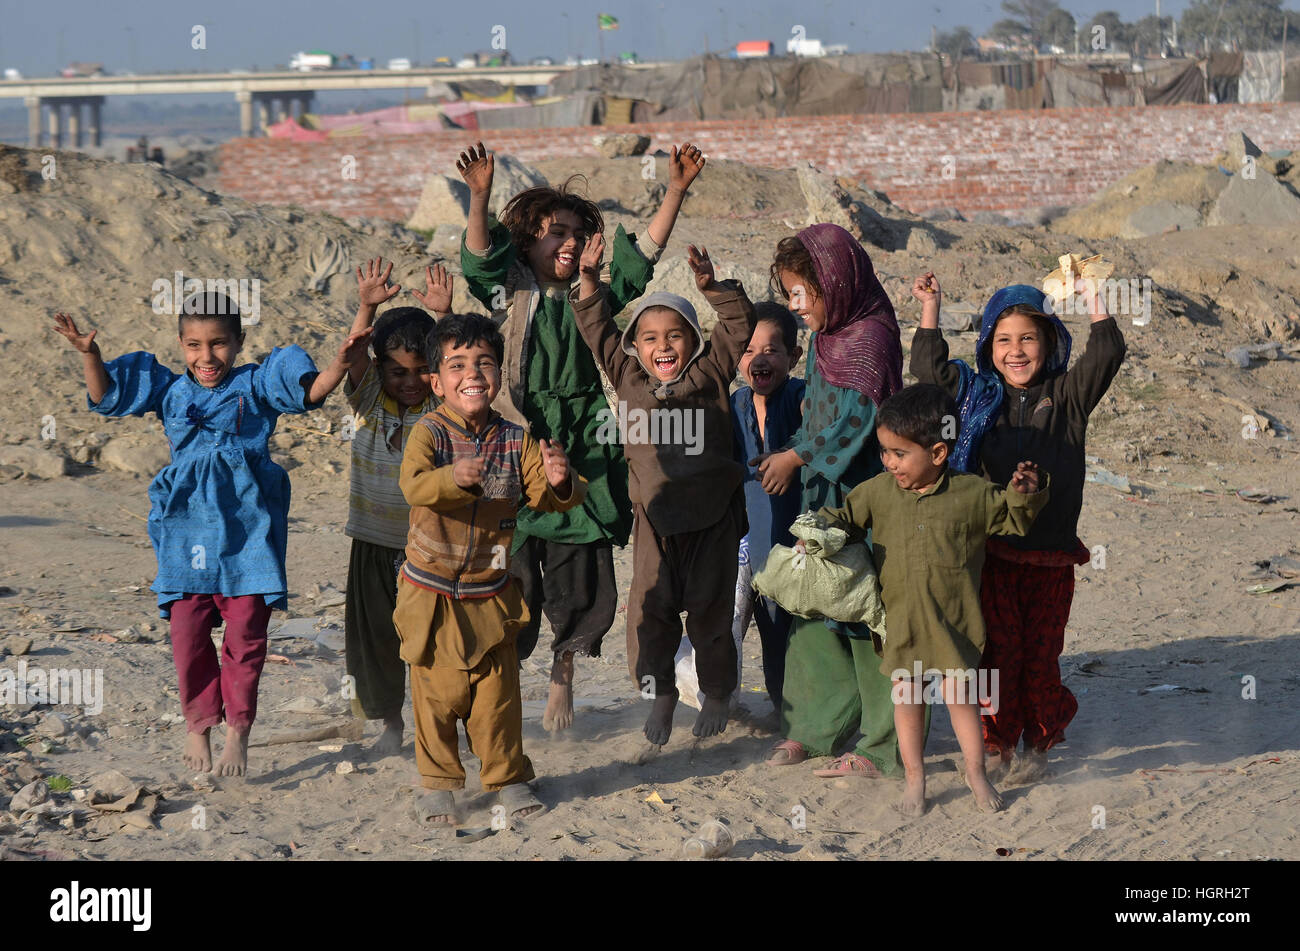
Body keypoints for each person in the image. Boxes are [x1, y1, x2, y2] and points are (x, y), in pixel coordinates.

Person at [53, 296, 370, 776]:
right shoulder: (167, 390)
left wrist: (343, 359)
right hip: (186, 532)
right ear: (181, 344)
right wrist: (89, 355)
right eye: (194, 345)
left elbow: (312, 390)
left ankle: (238, 731)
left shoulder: (257, 384)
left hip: (249, 533)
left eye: (219, 343)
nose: (207, 356)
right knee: (187, 634)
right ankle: (198, 724)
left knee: (246, 635)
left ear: (239, 341)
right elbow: (106, 396)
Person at [456, 140, 704, 733]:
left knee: (581, 559)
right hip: (520, 436)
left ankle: (564, 665)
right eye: (555, 233)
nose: (568, 243)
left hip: (587, 437)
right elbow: (479, 260)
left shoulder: (593, 290)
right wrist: (479, 196)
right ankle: (502, 674)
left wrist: (675, 189)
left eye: (577, 233)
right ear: (527, 242)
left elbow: (642, 258)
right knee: (511, 560)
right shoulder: (510, 287)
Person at [909, 272, 1125, 783]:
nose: (1016, 351)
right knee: (998, 653)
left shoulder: (1067, 396)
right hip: (993, 552)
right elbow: (928, 371)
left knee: (1041, 654)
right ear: (988, 347)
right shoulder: (976, 397)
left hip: (1051, 555)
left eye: (1028, 338)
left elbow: (1107, 353)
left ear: (1050, 341)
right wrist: (931, 307)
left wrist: (1092, 293)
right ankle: (998, 742)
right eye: (1003, 340)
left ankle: (1039, 743)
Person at [809, 383, 1049, 815]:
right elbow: (843, 518)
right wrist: (815, 533)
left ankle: (975, 773)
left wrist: (1025, 492)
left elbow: (1014, 519)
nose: (889, 462)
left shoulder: (971, 494)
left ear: (938, 453)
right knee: (907, 698)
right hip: (902, 623)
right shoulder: (877, 491)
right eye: (885, 451)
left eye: (899, 454)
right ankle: (915, 779)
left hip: (955, 625)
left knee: (961, 699)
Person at [393, 314, 586, 826]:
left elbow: (546, 497)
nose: (472, 373)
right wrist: (452, 478)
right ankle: (437, 785)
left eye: (484, 362)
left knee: (496, 697)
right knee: (437, 695)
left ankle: (508, 778)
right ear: (436, 382)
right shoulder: (428, 433)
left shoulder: (515, 438)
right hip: (431, 595)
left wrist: (560, 480)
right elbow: (413, 486)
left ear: (499, 374)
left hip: (491, 593)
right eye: (457, 365)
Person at [571, 239, 755, 746]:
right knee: (650, 616)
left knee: (710, 616)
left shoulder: (711, 372)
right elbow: (596, 328)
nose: (663, 346)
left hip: (713, 522)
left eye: (675, 335)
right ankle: (661, 693)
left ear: (694, 339)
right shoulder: (628, 376)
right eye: (650, 337)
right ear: (635, 346)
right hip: (655, 523)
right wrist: (588, 279)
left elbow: (739, 324)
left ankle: (716, 692)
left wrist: (712, 287)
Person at [757, 223, 913, 778]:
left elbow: (858, 421)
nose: (795, 306)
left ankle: (881, 746)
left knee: (869, 612)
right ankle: (813, 727)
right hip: (823, 495)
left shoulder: (871, 339)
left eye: (802, 293)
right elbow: (818, 413)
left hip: (865, 497)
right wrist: (793, 448)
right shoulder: (826, 338)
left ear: (835, 282)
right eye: (789, 294)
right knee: (816, 603)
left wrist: (796, 456)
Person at [340, 258, 452, 756]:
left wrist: (446, 318)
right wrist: (365, 307)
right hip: (371, 542)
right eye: (397, 372)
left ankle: (437, 722)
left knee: (432, 640)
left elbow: (458, 364)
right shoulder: (368, 400)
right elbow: (353, 354)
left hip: (429, 548)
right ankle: (390, 723)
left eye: (421, 370)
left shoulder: (440, 408)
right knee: (375, 641)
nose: (410, 381)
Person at [675, 302, 805, 712]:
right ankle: (774, 708)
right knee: (760, 630)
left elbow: (825, 428)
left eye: (771, 350)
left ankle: (800, 714)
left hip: (799, 546)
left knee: (797, 635)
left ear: (794, 356)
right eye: (748, 351)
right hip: (751, 545)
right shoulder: (735, 406)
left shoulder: (802, 399)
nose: (758, 359)